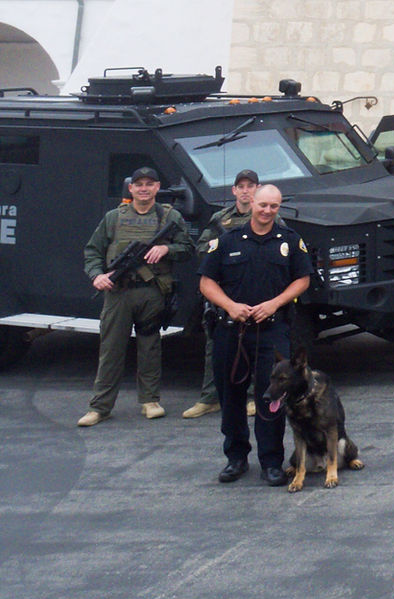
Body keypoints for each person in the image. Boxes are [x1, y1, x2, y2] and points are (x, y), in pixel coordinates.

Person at [198, 184, 313, 484]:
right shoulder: (227, 240)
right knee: (231, 397)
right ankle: (236, 458)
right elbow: (207, 283)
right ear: (251, 204)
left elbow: (302, 280)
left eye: (274, 206)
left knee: (272, 397)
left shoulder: (289, 241)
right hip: (231, 331)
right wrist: (230, 305)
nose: (267, 211)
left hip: (272, 331)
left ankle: (271, 462)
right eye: (263, 205)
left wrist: (275, 303)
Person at [78, 166, 194, 427]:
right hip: (118, 293)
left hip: (153, 292)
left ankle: (150, 400)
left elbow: (188, 249)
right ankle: (100, 407)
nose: (144, 188)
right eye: (138, 184)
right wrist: (97, 275)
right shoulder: (113, 218)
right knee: (110, 350)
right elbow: (93, 251)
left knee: (150, 348)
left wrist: (166, 248)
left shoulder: (170, 217)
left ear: (157, 188)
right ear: (130, 188)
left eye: (149, 184)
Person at [181, 169, 259, 420]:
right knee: (215, 345)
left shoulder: (268, 216)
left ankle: (254, 397)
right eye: (241, 186)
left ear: (257, 189)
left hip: (257, 290)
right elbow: (203, 248)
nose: (245, 190)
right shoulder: (220, 219)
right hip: (224, 292)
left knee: (256, 345)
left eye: (250, 185)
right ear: (234, 191)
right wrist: (226, 252)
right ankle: (210, 397)